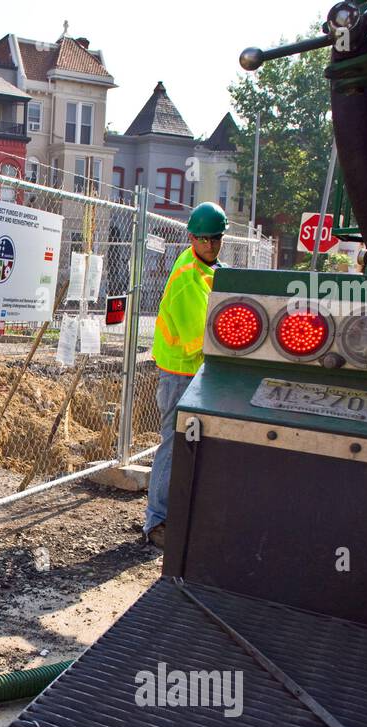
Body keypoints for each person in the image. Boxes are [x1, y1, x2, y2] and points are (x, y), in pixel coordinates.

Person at [144, 201, 227, 549]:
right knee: (174, 444)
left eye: (215, 239)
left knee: (194, 444)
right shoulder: (187, 278)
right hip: (180, 373)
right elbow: (202, 336)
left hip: (194, 371)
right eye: (203, 239)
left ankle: (181, 513)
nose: (209, 245)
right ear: (191, 237)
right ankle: (157, 522)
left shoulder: (211, 268)